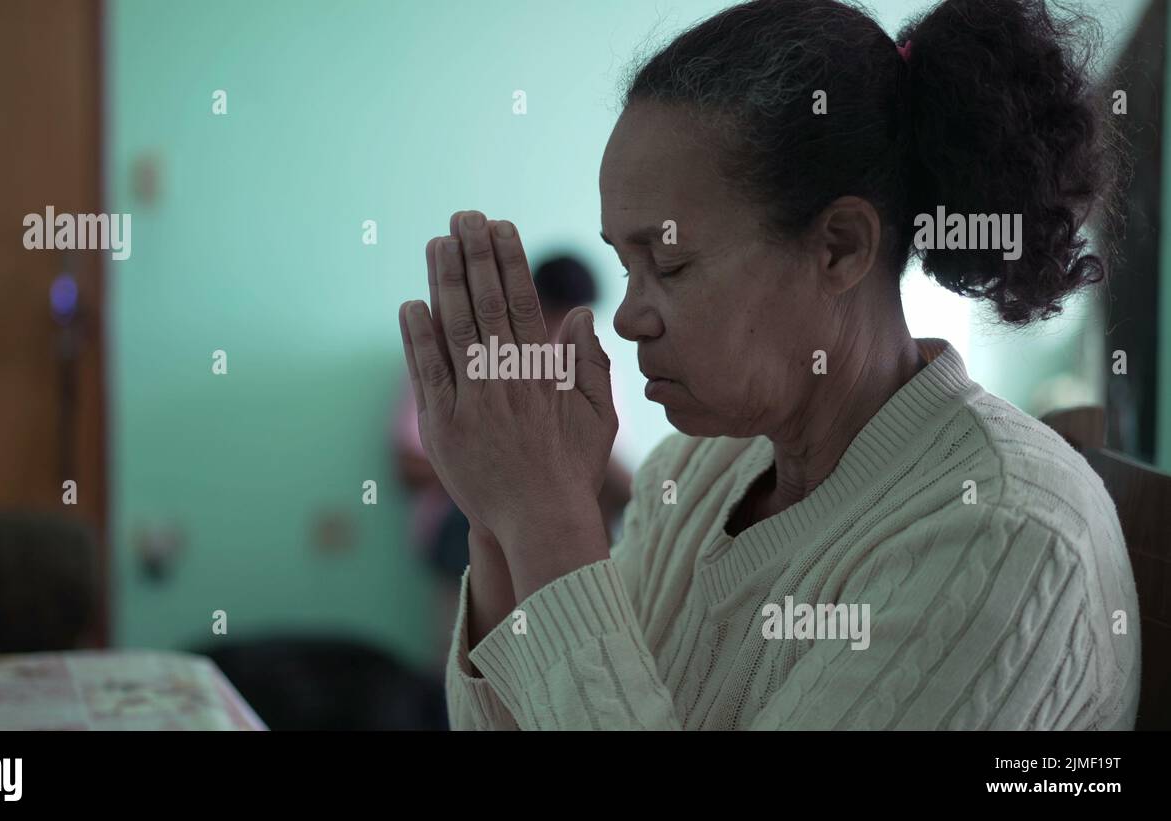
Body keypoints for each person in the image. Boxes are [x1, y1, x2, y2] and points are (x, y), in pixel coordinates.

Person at [398, 0, 1140, 730]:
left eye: (670, 262)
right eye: (626, 266)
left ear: (841, 246)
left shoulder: (1006, 532)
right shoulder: (694, 470)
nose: (627, 317)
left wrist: (549, 521)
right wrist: (499, 516)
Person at [392, 253, 631, 674]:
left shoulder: (584, 362)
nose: (558, 334)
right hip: (463, 529)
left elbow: (605, 459)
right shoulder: (458, 359)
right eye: (553, 318)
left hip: (554, 528)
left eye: (573, 322)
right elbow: (407, 469)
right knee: (472, 671)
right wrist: (499, 457)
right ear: (530, 304)